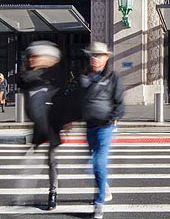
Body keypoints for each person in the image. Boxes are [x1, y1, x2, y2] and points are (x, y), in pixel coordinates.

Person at [18, 42, 76, 212]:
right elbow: (24, 82)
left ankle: (53, 193)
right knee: (33, 159)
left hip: (52, 124)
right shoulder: (28, 77)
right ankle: (24, 197)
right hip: (38, 126)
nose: (31, 60)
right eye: (30, 57)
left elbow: (64, 97)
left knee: (51, 160)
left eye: (35, 57)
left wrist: (67, 119)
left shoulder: (54, 78)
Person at [80, 41, 124, 219]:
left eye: (98, 55)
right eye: (92, 55)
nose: (94, 58)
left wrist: (113, 116)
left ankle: (99, 202)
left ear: (106, 58)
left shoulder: (113, 77)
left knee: (98, 162)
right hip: (89, 126)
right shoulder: (84, 76)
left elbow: (119, 102)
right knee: (93, 162)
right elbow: (78, 99)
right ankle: (105, 188)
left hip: (105, 126)